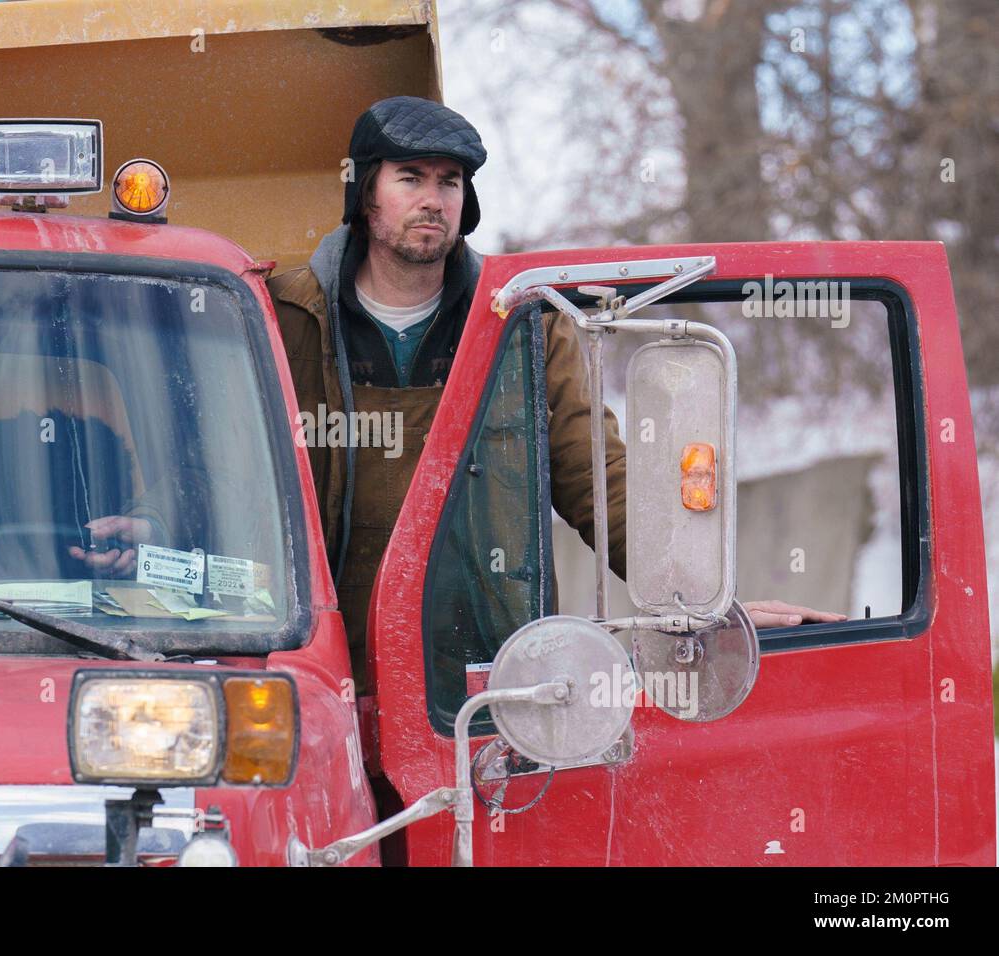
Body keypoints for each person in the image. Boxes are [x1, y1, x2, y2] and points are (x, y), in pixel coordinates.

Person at [264, 96, 843, 687]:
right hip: (319, 668)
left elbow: (594, 473)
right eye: (409, 178)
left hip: (491, 669)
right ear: (365, 193)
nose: (432, 201)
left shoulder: (526, 322)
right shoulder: (283, 317)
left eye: (450, 182)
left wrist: (705, 602)